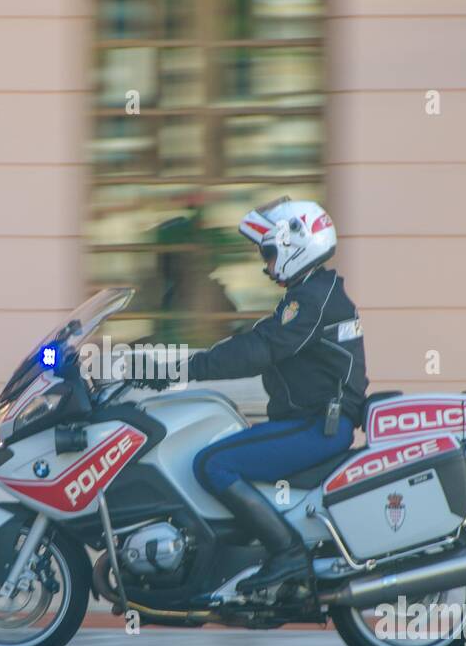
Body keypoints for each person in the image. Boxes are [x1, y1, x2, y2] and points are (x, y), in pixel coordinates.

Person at [128, 198, 368, 595]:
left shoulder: (310, 301)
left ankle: (287, 552)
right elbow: (256, 341)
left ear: (296, 246)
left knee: (212, 464)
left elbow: (260, 350)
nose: (265, 264)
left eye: (270, 253)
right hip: (313, 422)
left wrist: (185, 367)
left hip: (316, 427)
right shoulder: (313, 294)